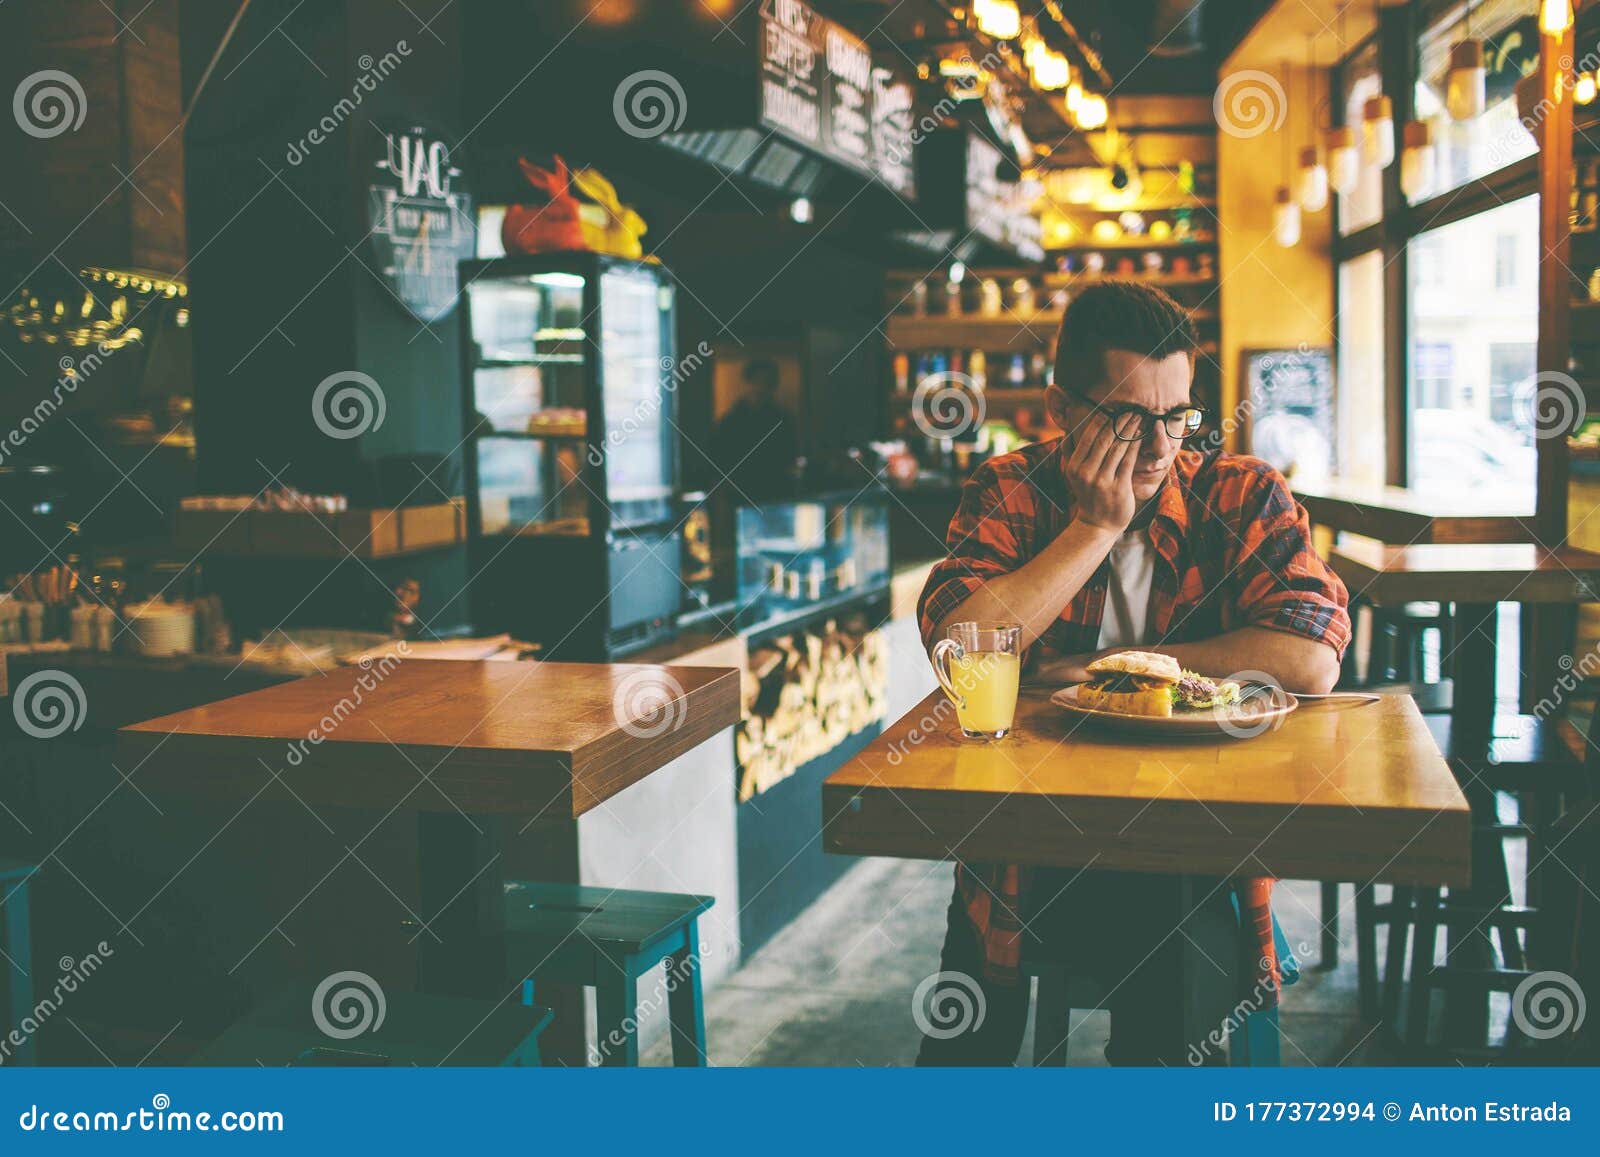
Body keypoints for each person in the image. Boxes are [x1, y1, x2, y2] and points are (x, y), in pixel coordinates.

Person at [914, 280, 1351, 1065]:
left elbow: (1311, 656)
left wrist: (1119, 671)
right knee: (960, 1057)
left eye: (1176, 415)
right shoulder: (1010, 488)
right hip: (1033, 848)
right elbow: (960, 647)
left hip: (1196, 847)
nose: (1157, 446)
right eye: (1124, 417)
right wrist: (1093, 527)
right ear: (1062, 407)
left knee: (1178, 989)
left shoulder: (1243, 492)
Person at [708, 359, 798, 498]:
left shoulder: (781, 421)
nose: (761, 387)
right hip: (739, 492)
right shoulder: (731, 421)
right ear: (748, 383)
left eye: (767, 383)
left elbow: (789, 455)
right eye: (757, 381)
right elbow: (719, 458)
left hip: (774, 490)